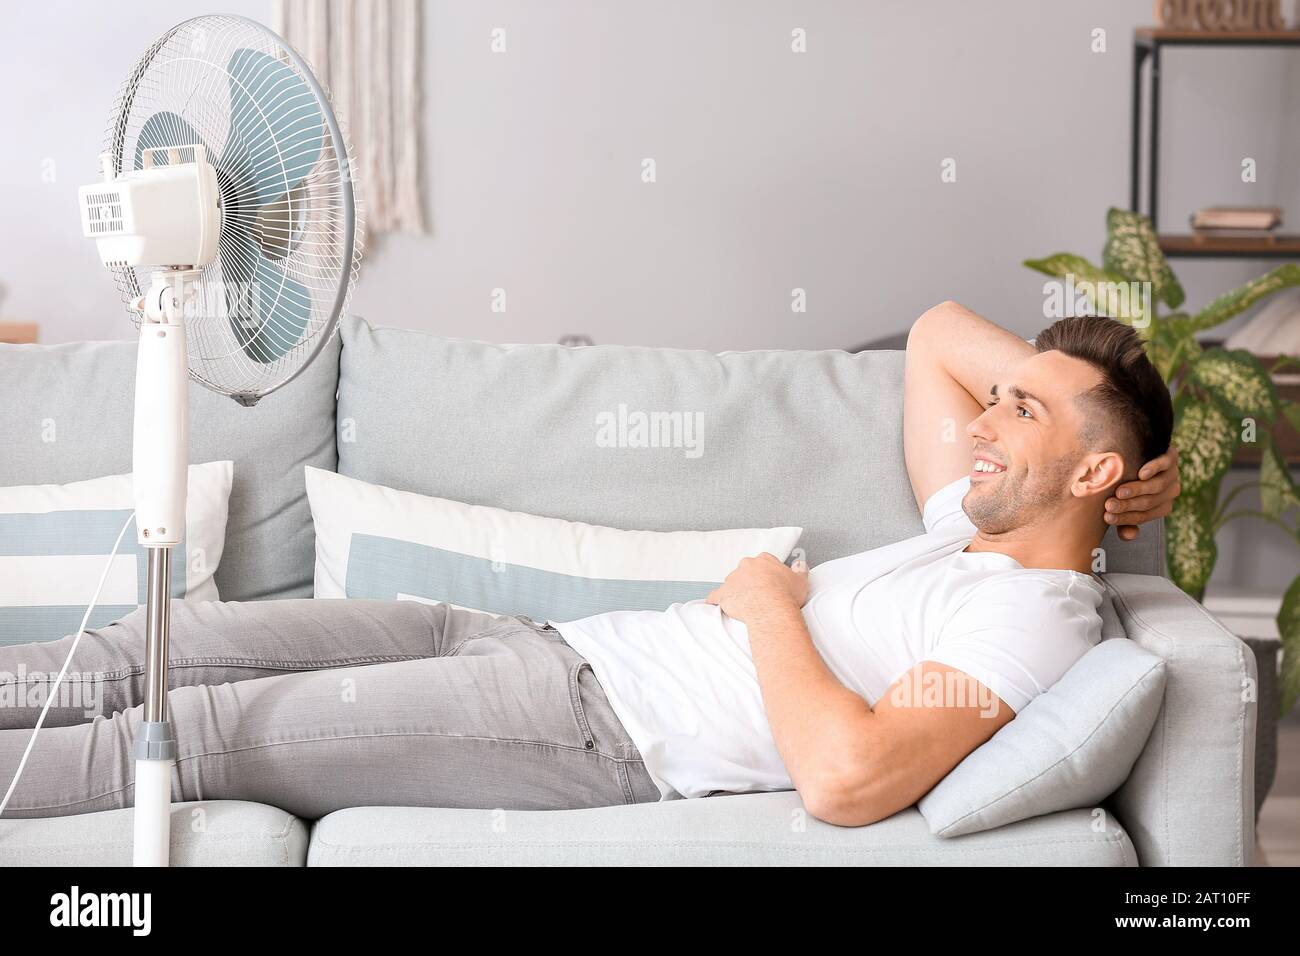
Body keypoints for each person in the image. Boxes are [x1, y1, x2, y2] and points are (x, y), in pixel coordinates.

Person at [0, 303, 1179, 825]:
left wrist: (770, 601)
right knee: (155, 649)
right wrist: (1086, 430)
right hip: (529, 648)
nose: (980, 418)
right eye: (1002, 395)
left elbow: (847, 776)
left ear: (1080, 477)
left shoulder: (1034, 621)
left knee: (198, 735)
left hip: (593, 731)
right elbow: (931, 333)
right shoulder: (959, 530)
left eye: (1015, 412)